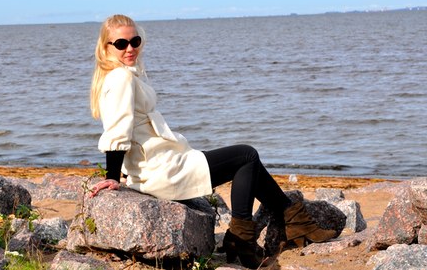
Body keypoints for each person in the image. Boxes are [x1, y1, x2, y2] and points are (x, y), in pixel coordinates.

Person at [89, 14, 335, 268]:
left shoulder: (122, 75)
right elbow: (118, 129)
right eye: (121, 44)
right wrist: (112, 176)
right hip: (162, 169)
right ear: (106, 47)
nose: (130, 48)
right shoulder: (121, 78)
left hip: (161, 163)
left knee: (246, 163)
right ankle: (246, 236)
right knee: (246, 156)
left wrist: (125, 174)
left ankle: (292, 221)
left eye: (135, 41)